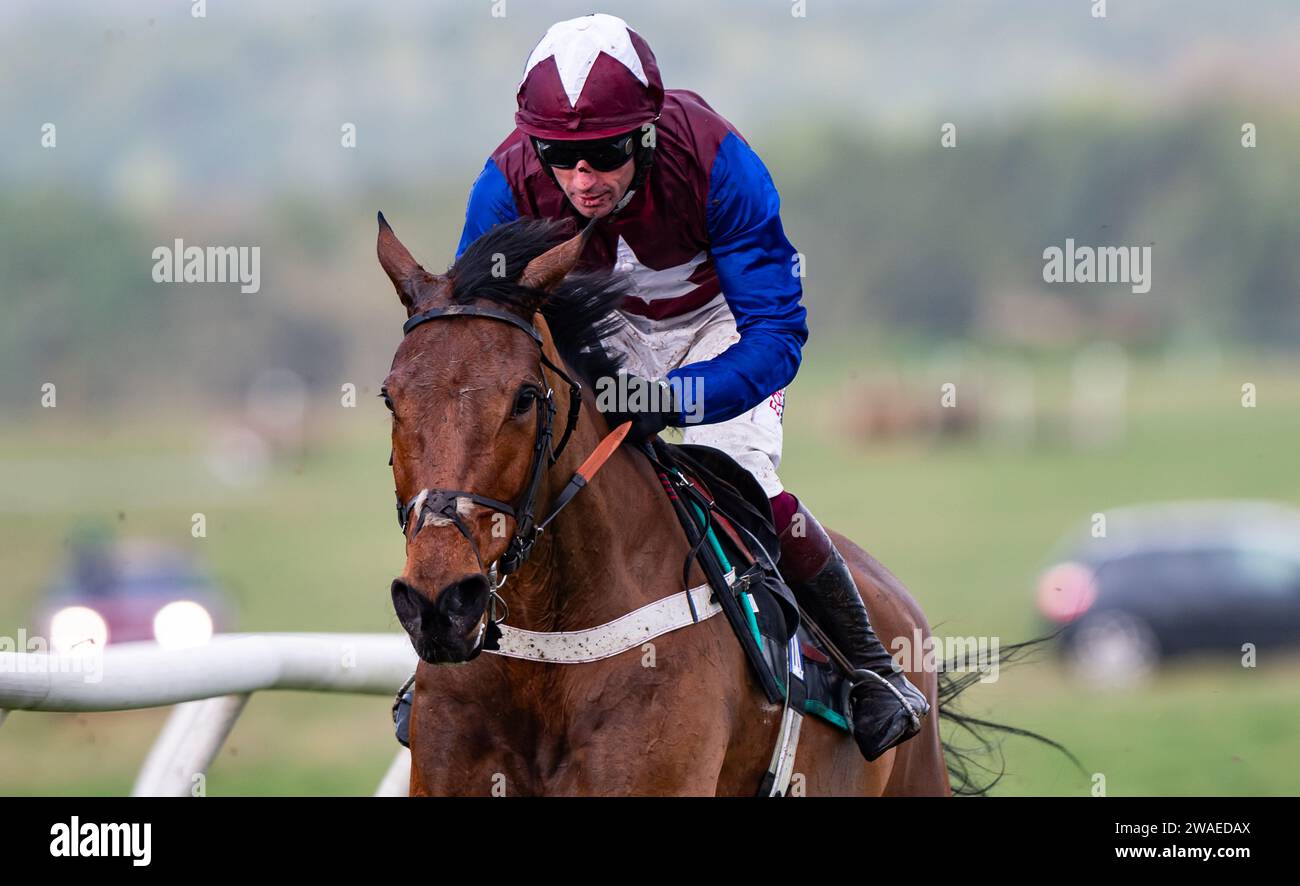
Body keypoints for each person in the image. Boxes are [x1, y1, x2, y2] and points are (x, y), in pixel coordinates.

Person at [455, 13, 928, 761]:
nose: (581, 181)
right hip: (595, 333)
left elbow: (776, 332)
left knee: (740, 478)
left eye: (604, 155)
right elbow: (479, 334)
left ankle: (869, 670)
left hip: (718, 328)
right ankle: (456, 666)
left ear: (645, 135)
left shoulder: (718, 160)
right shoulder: (506, 181)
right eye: (560, 157)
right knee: (518, 476)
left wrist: (675, 399)